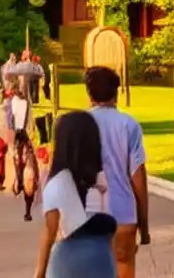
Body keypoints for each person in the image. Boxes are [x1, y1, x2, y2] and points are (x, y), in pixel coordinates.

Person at [84, 67, 150, 278]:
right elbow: (137, 175)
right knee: (124, 268)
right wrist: (144, 225)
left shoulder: (80, 124)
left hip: (86, 214)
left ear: (89, 93)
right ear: (117, 92)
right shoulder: (129, 125)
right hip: (123, 213)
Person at [33, 111, 116, 278]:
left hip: (66, 259)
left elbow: (50, 231)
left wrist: (39, 273)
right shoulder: (104, 179)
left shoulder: (57, 184)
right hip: (102, 257)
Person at [9, 76, 39, 221]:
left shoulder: (17, 103)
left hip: (22, 139)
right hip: (23, 139)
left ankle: (19, 180)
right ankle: (19, 181)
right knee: (28, 170)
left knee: (25, 170)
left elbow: (10, 122)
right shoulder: (21, 103)